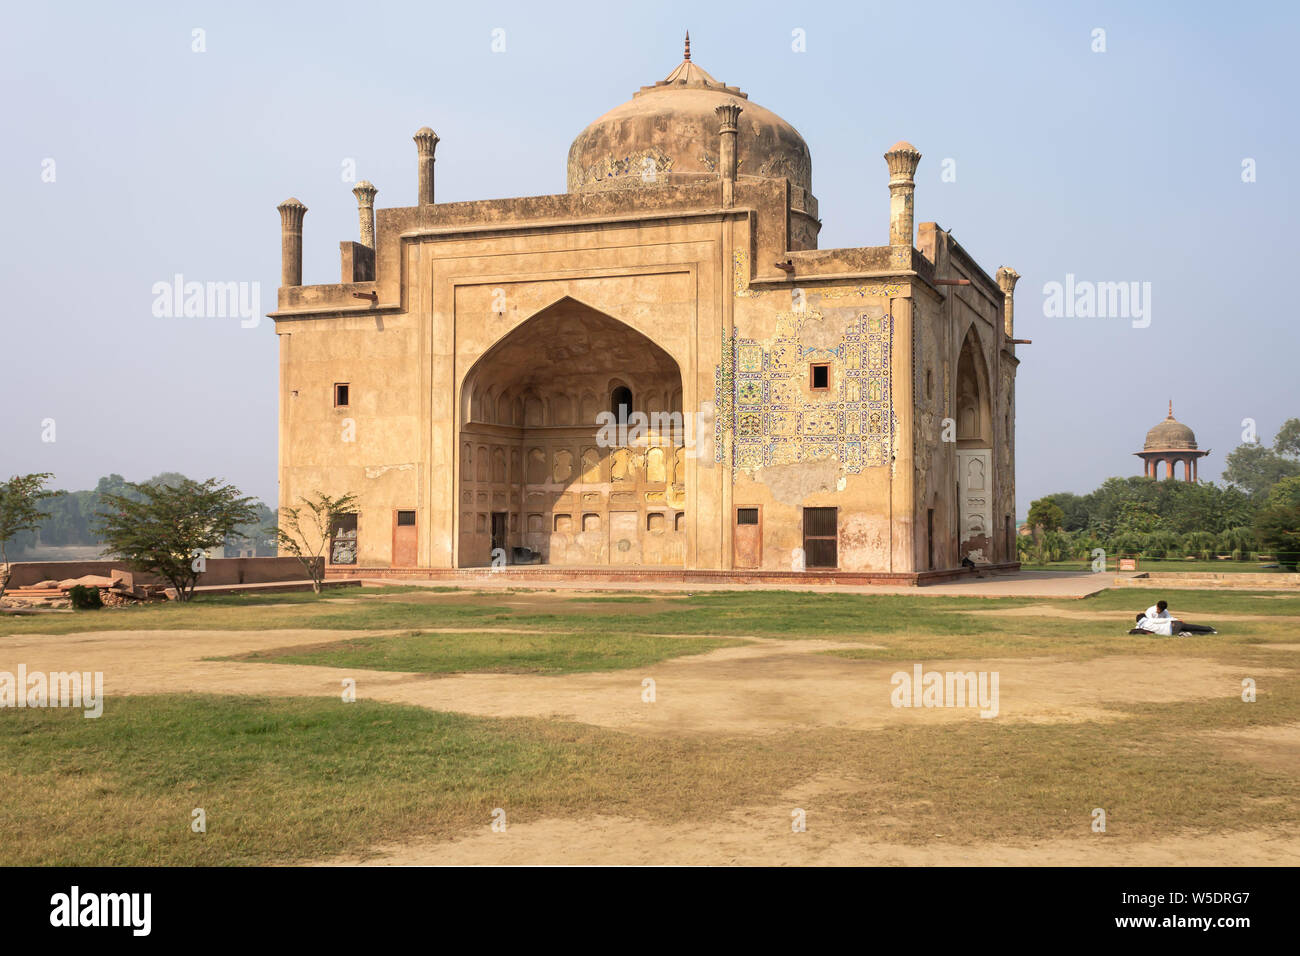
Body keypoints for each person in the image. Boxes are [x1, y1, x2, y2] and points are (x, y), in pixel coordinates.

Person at [1129, 598, 1217, 636]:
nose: (1158, 612)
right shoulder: (1149, 612)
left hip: (1170, 626)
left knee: (1192, 629)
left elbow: (1165, 619)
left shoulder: (1147, 622)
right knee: (1192, 629)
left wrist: (1176, 619)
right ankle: (1210, 630)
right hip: (1171, 626)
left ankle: (1210, 630)